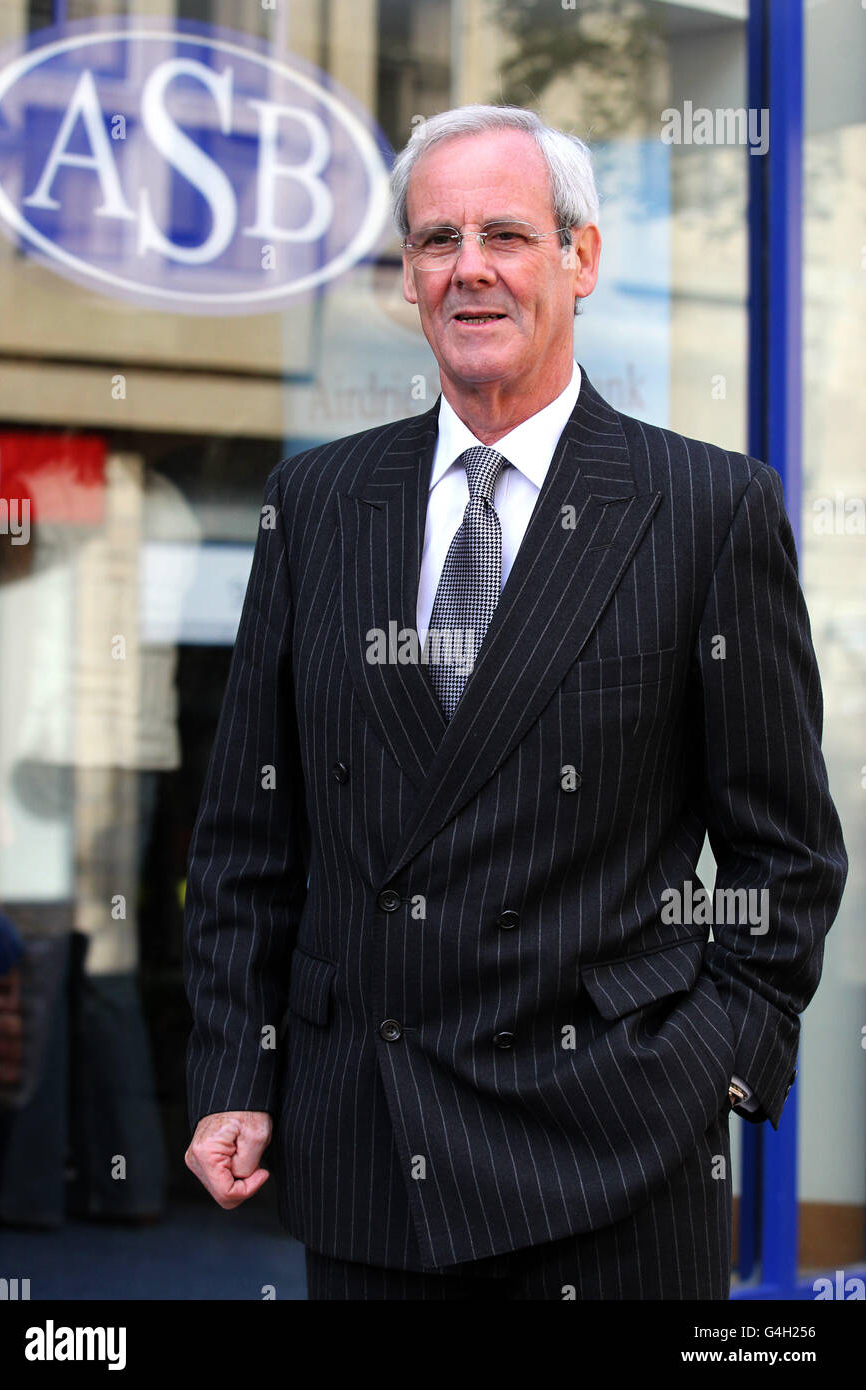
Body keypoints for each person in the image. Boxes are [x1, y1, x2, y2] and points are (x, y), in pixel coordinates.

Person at [182, 105, 848, 1300]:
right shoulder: (319, 503)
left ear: (581, 259)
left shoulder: (705, 508)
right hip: (369, 1153)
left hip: (616, 1158)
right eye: (438, 239)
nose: (470, 268)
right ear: (406, 276)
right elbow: (246, 839)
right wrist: (238, 1067)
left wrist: (718, 1063)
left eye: (507, 234)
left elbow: (787, 851)